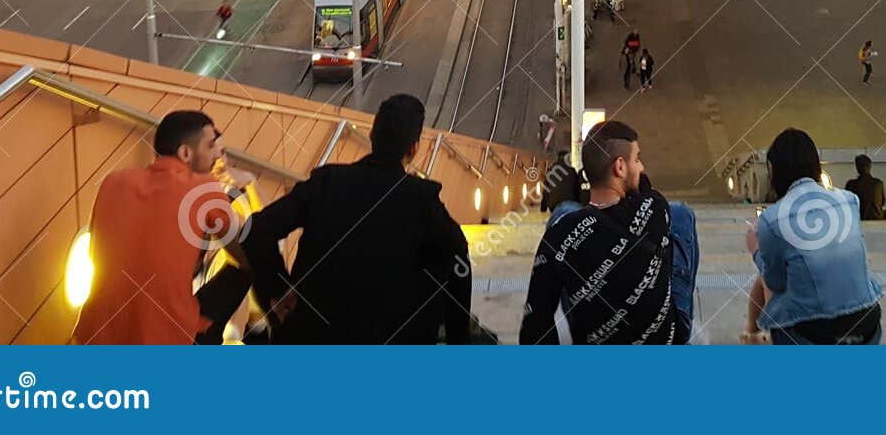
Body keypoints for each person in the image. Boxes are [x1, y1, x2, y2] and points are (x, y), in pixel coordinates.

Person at [242, 93, 473, 343]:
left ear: (372, 136)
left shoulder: (326, 182)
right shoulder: (421, 199)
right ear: (414, 149)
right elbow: (459, 258)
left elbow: (255, 230)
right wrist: (458, 339)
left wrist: (279, 291)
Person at [73, 110, 243, 345]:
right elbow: (244, 253)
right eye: (210, 146)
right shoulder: (204, 187)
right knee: (244, 273)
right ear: (185, 152)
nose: (216, 155)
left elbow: (96, 251)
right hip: (163, 338)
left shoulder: (114, 180)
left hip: (94, 334)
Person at [520, 120, 684, 344]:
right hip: (667, 340)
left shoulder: (559, 236)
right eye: (637, 159)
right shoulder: (655, 208)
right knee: (683, 214)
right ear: (620, 167)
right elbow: (643, 185)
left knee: (563, 212)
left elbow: (534, 327)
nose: (641, 167)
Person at [743, 129, 882, 344]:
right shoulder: (849, 200)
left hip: (813, 337)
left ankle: (751, 337)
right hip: (867, 327)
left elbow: (775, 282)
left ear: (774, 171)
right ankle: (751, 334)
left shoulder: (771, 220)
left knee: (767, 282)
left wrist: (756, 250)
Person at [843, 153, 885, 222]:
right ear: (870, 166)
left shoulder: (851, 185)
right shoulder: (878, 184)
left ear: (857, 168)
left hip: (858, 221)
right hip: (877, 221)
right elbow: (882, 202)